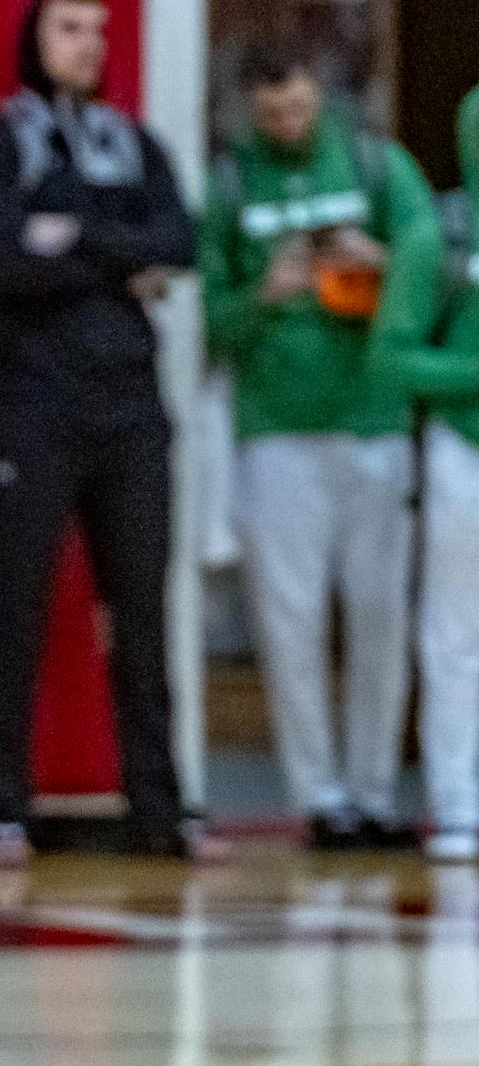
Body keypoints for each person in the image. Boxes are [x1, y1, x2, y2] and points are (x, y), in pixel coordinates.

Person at [0, 0, 214, 868]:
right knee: (15, 608)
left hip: (131, 410)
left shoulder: (133, 144)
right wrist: (116, 256)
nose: (88, 43)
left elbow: (179, 242)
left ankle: (158, 810)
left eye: (98, 29)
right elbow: (5, 261)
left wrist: (72, 235)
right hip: (33, 408)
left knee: (141, 613)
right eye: (70, 27)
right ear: (36, 37)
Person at [200, 43, 432, 848]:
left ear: (321, 99)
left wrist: (381, 263)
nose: (290, 123)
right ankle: (319, 796)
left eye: (300, 108)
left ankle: (375, 790)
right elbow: (204, 319)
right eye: (274, 114)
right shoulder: (230, 184)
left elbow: (435, 274)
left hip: (373, 418)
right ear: (251, 112)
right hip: (275, 428)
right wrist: (264, 293)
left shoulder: (376, 165)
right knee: (290, 617)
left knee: (379, 612)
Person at [371, 81, 479, 862]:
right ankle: (458, 800)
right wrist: (472, 374)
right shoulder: (437, 236)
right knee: (456, 633)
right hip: (463, 451)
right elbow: (391, 357)